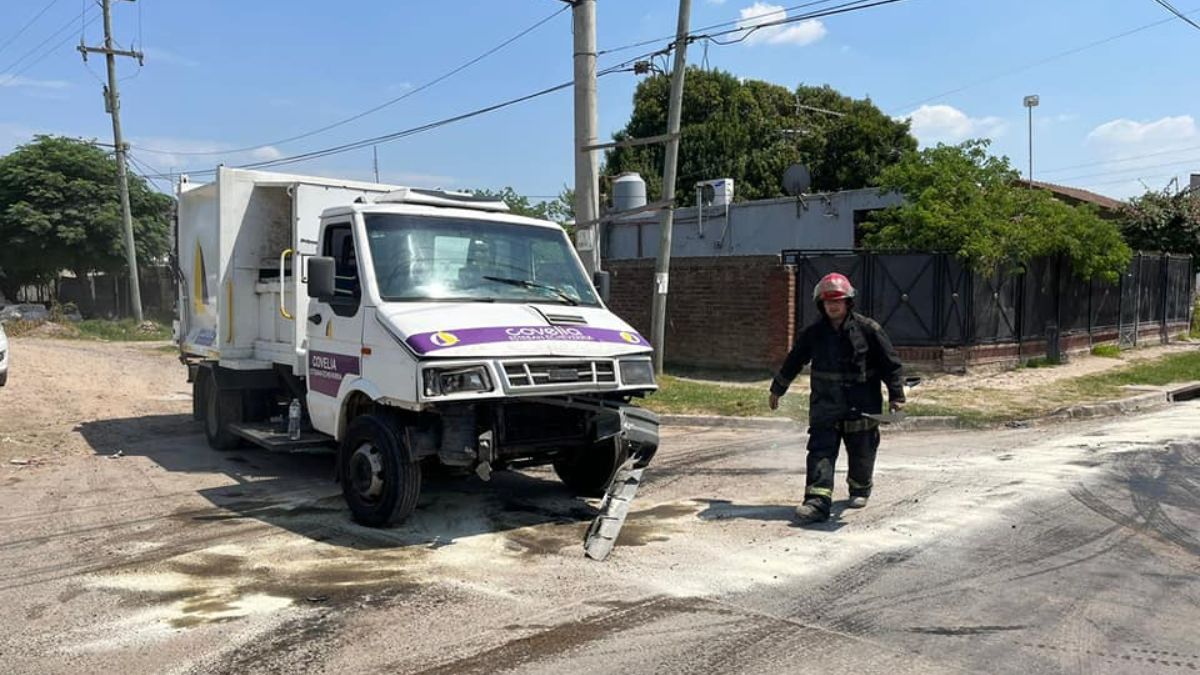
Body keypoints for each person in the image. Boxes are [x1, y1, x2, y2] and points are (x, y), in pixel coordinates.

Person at [769, 272, 905, 523]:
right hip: (826, 406)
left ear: (848, 302)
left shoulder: (869, 329)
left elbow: (891, 364)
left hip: (862, 404)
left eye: (838, 301)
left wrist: (896, 396)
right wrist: (778, 387)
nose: (833, 305)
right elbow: (794, 360)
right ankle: (817, 502)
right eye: (828, 301)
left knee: (862, 450)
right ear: (821, 304)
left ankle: (860, 487)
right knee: (820, 451)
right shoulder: (814, 333)